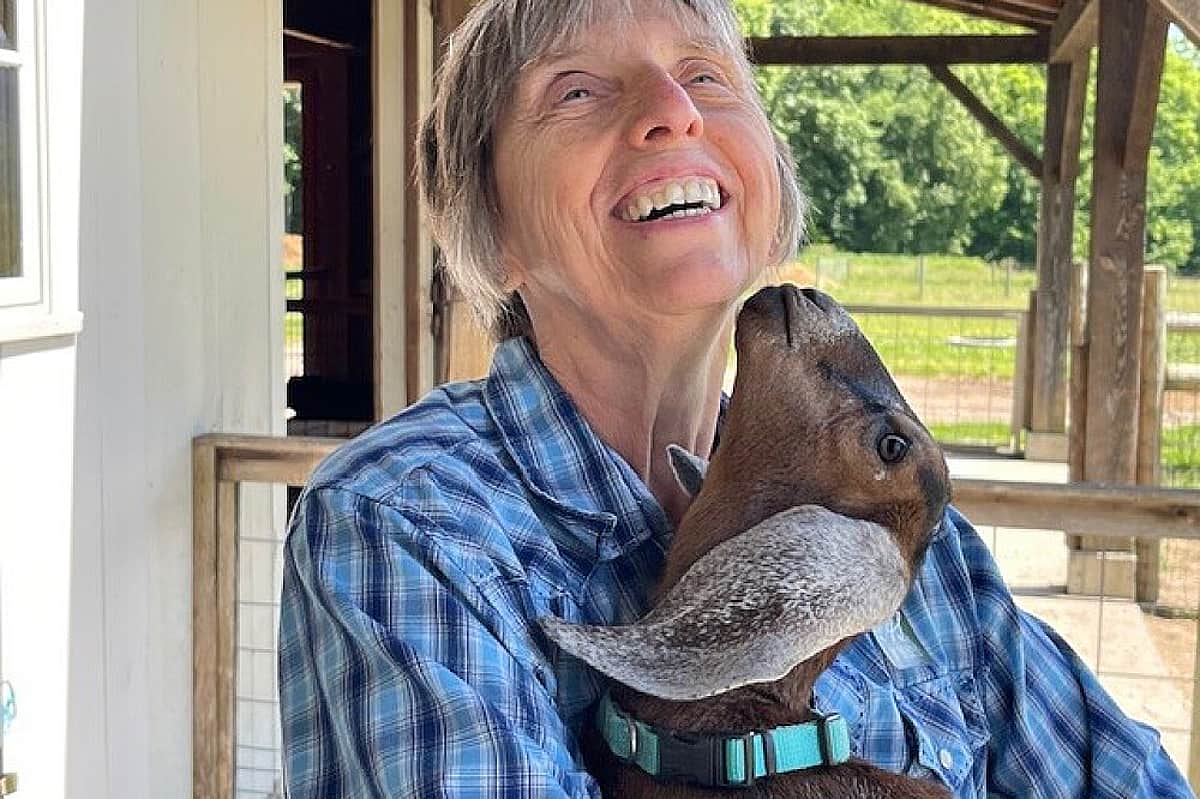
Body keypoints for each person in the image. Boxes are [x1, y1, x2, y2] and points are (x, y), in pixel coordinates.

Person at [277, 1, 1192, 796]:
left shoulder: (904, 526)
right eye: (577, 90)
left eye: (706, 76)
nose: (672, 113)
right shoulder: (406, 523)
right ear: (492, 225)